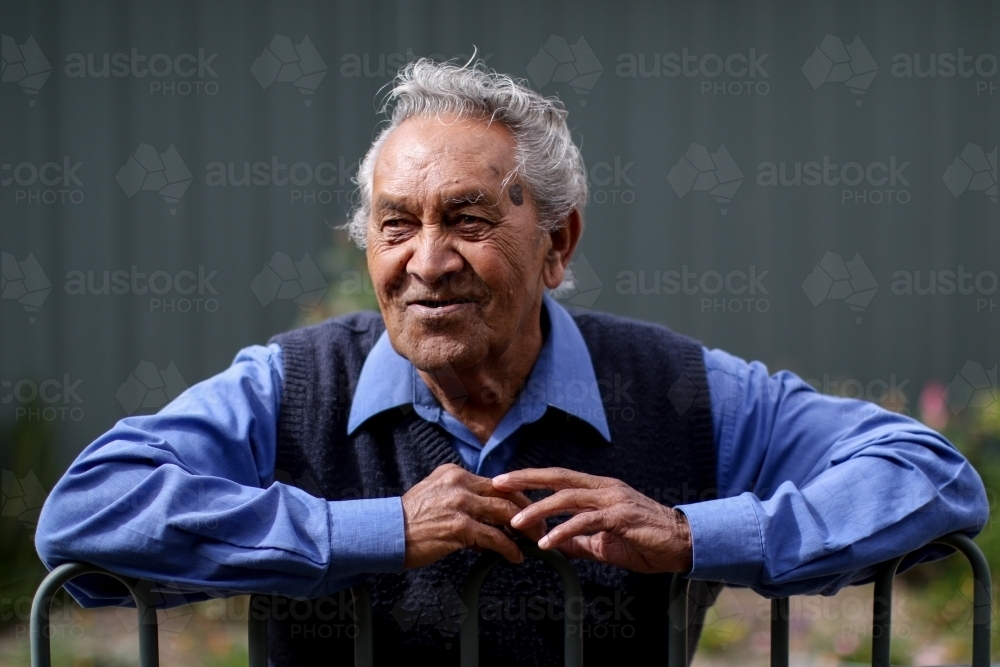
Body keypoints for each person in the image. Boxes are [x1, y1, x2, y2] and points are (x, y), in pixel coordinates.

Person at [36, 60, 988, 667]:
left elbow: (929, 476)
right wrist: (370, 530)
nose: (427, 260)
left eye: (470, 220)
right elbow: (90, 510)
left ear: (559, 244)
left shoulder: (681, 389)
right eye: (396, 225)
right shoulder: (288, 387)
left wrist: (694, 535)